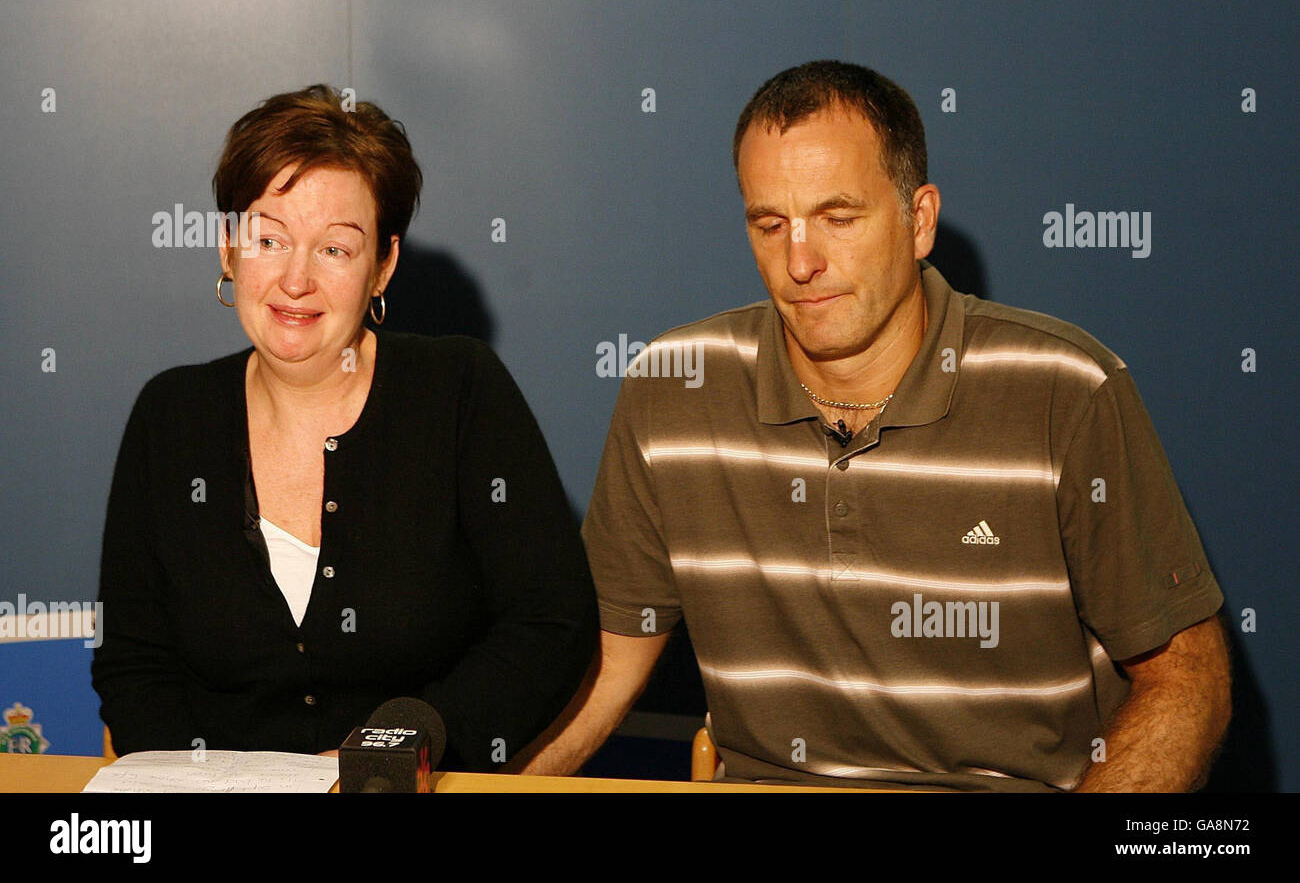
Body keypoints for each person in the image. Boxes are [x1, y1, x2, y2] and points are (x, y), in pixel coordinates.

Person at [518, 61, 1231, 791]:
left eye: (837, 217)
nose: (800, 262)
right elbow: (609, 661)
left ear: (918, 220)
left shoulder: (1065, 392)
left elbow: (1187, 679)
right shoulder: (673, 389)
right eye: (770, 224)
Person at [92, 85, 597, 771]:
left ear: (382, 266)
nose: (295, 280)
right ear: (228, 250)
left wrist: (401, 749)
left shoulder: (459, 389)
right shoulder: (170, 415)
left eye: (334, 249)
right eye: (269, 239)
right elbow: (135, 668)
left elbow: (550, 627)